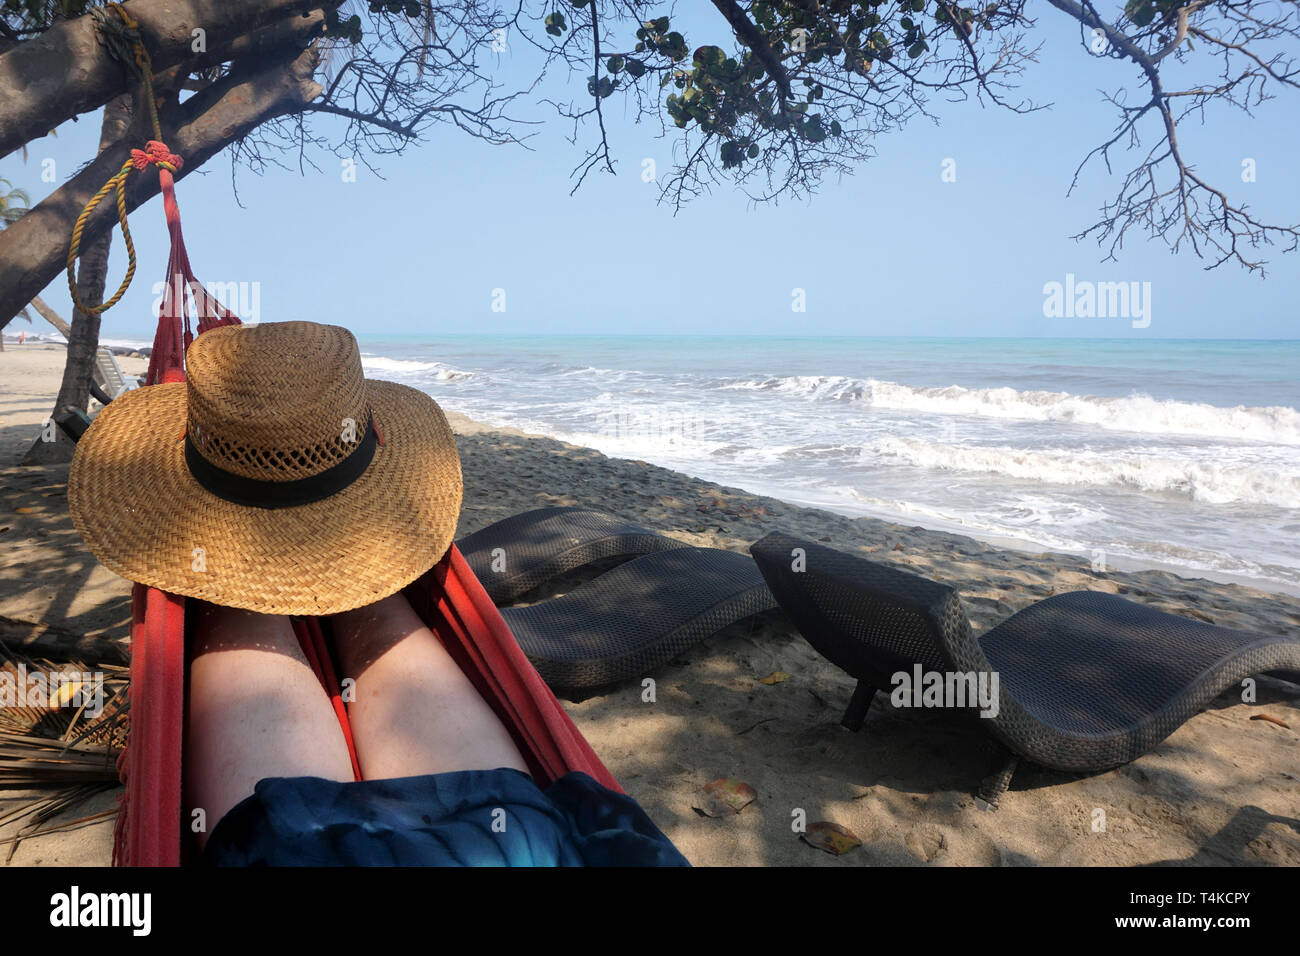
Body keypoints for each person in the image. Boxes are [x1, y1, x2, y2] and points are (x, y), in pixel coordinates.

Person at [67, 320, 688, 866]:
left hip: (323, 849)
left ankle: (252, 574)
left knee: (242, 617)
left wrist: (238, 538)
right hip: (512, 842)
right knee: (381, 609)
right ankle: (353, 567)